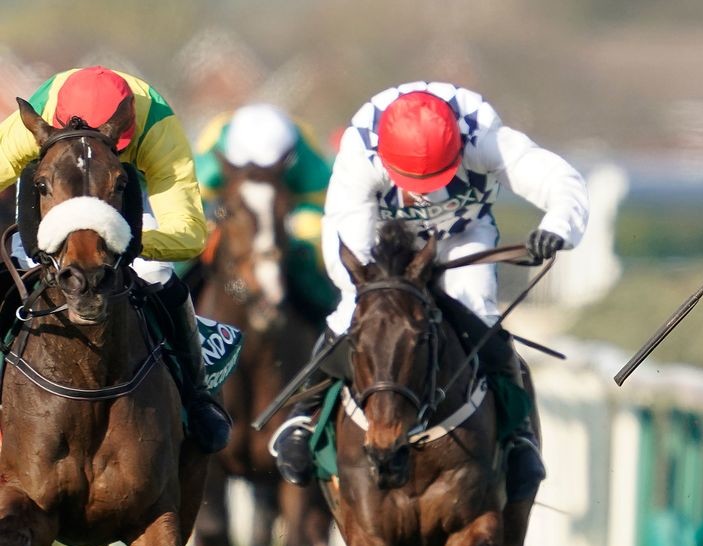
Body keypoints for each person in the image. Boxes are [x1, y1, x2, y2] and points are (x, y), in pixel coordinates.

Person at [272, 81, 589, 500]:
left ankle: (518, 436)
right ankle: (302, 416)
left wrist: (557, 227)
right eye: (413, 180)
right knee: (355, 309)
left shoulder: (482, 135)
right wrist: (378, 285)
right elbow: (346, 240)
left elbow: (559, 180)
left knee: (478, 309)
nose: (424, 192)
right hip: (385, 246)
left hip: (462, 236)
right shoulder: (361, 149)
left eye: (435, 176)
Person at [0, 65, 230, 453]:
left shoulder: (156, 126)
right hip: (53, 211)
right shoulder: (31, 121)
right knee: (14, 274)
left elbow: (190, 233)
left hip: (119, 208)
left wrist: (120, 241)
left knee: (157, 271)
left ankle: (196, 394)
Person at [192, 103, 338, 323]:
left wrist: (297, 231)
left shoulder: (303, 154)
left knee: (309, 252)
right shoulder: (215, 150)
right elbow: (190, 198)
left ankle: (328, 317)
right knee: (186, 244)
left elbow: (318, 201)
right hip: (229, 209)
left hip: (290, 209)